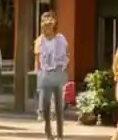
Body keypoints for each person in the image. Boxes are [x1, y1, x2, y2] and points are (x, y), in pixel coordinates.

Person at [35, 12, 70, 140]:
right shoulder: (40, 40)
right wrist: (40, 73)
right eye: (44, 27)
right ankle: (48, 131)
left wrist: (64, 68)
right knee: (45, 104)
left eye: (49, 26)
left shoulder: (60, 39)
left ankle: (60, 134)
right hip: (45, 73)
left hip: (58, 72)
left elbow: (67, 54)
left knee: (59, 105)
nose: (46, 29)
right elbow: (38, 58)